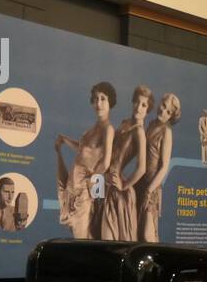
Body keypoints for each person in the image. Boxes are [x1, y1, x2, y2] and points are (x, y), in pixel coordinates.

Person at [55, 82, 115, 239]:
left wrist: (91, 181)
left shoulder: (108, 129)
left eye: (103, 99)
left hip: (85, 190)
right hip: (72, 186)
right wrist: (64, 140)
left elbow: (106, 162)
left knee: (82, 237)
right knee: (76, 233)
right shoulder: (92, 129)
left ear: (110, 103)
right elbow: (83, 149)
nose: (98, 103)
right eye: (96, 99)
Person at [100, 85, 150, 241]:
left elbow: (141, 168)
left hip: (120, 193)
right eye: (136, 102)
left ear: (147, 110)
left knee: (114, 243)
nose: (138, 107)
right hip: (106, 185)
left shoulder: (139, 132)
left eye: (144, 105)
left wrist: (124, 185)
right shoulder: (124, 123)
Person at [136, 92, 179, 242]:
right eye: (163, 106)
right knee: (137, 231)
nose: (163, 111)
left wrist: (149, 191)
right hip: (139, 182)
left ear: (171, 116)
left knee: (149, 235)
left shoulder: (167, 132)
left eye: (168, 111)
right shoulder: (151, 124)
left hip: (151, 187)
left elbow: (164, 166)